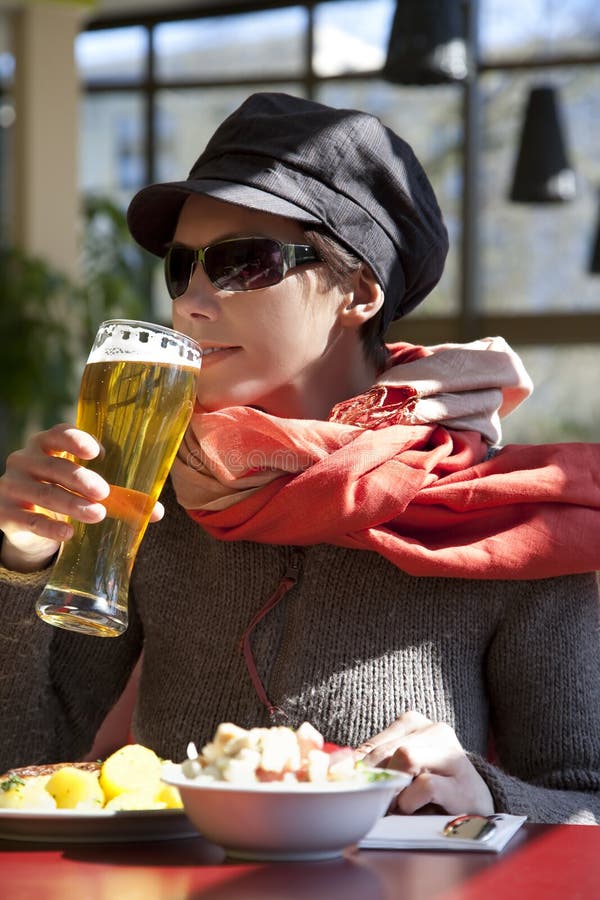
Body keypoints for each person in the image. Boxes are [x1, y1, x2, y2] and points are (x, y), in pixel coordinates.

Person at [0, 92, 599, 823]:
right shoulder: (146, 484)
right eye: (182, 267)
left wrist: (487, 794)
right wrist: (23, 563)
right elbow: (20, 754)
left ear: (359, 290)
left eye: (240, 262)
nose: (191, 300)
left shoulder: (504, 518)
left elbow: (584, 802)